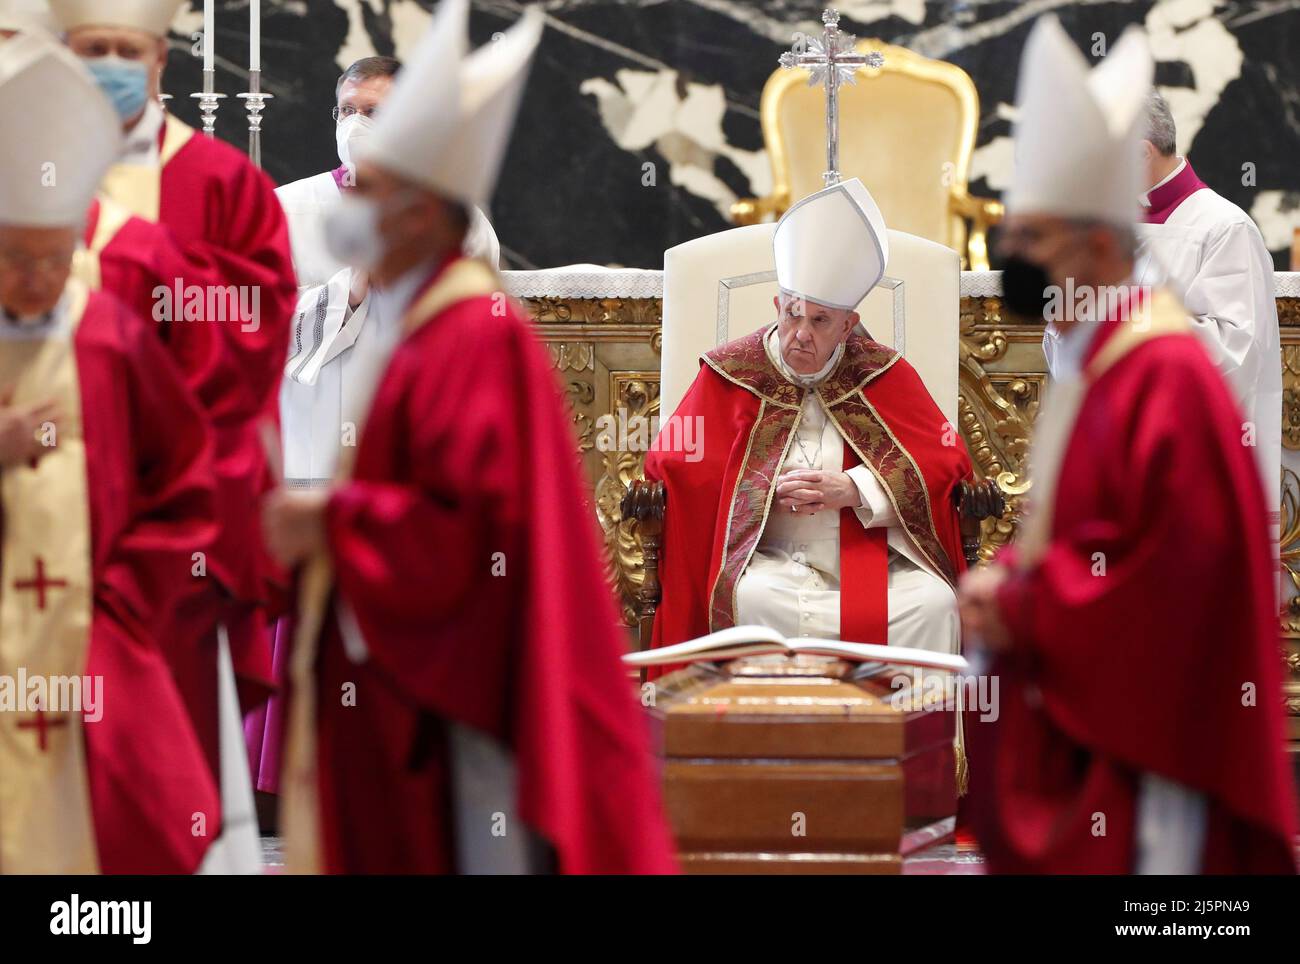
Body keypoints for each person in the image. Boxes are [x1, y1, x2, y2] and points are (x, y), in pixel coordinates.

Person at [262, 0, 675, 874]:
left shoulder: (469, 334)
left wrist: (333, 525)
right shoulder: (443, 319)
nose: (356, 197)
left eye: (377, 192)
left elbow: (468, 533)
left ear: (422, 214)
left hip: (473, 674)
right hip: (442, 657)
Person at [960, 16, 1297, 874]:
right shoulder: (1111, 351)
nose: (1017, 261)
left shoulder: (1166, 367)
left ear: (1100, 246)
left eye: (1036, 241)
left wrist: (1031, 607)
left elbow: (1170, 574)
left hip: (1162, 735)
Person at [46, 0, 298, 868]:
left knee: (160, 752)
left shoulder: (222, 183)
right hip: (28, 504)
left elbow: (257, 332)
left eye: (129, 50)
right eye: (93, 49)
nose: (112, 63)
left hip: (167, 517)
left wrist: (139, 282)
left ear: (160, 61)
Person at [247, 56, 501, 797]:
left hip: (404, 464)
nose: (359, 125)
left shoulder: (457, 220)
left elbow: (479, 329)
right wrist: (348, 290)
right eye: (349, 108)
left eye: (379, 112)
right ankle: (292, 787)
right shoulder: (283, 209)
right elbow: (254, 331)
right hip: (312, 445)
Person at [0, 30, 218, 873]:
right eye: (16, 260)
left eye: (53, 260)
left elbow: (187, 479)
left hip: (89, 626)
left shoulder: (108, 335)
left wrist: (125, 590)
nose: (35, 280)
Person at [645, 178, 972, 663]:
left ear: (848, 324)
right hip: (771, 563)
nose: (800, 334)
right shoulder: (731, 373)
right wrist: (757, 488)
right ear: (778, 305)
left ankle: (906, 742)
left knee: (935, 605)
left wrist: (857, 490)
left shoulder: (884, 373)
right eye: (794, 314)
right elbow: (671, 465)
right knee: (750, 600)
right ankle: (778, 738)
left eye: (820, 321)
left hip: (877, 563)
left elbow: (947, 463)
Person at [1043, 90, 1282, 594]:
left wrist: (1119, 317)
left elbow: (1237, 354)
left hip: (1189, 465)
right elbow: (1066, 357)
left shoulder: (1222, 228)